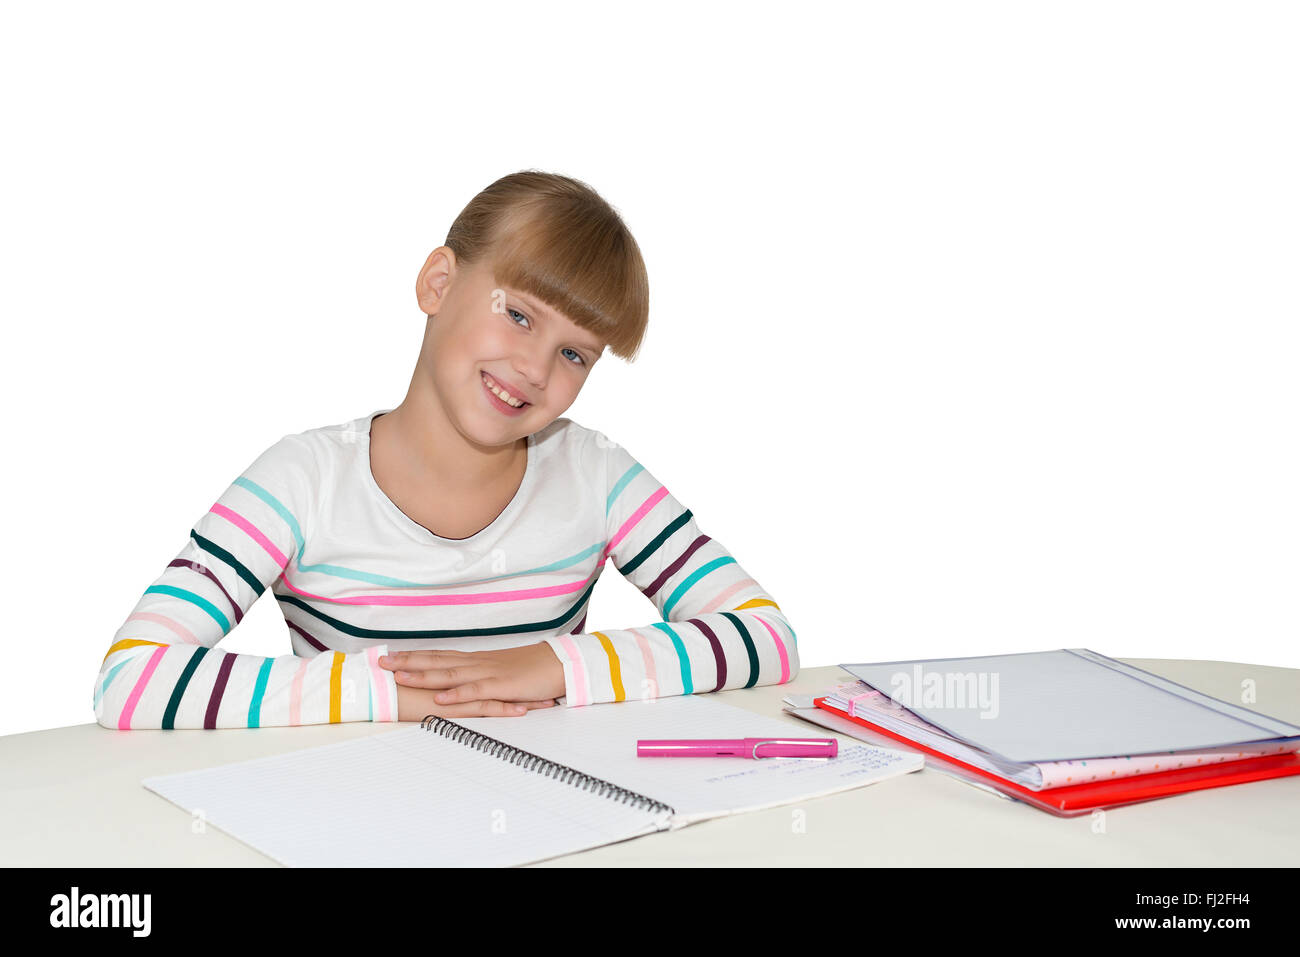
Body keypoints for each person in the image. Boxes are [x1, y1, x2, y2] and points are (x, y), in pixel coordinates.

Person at [94, 170, 799, 729]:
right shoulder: (302, 480)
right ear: (439, 283)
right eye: (518, 314)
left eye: (575, 354)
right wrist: (394, 692)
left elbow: (764, 635)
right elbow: (133, 677)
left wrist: (549, 665)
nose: (534, 368)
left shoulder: (597, 476)